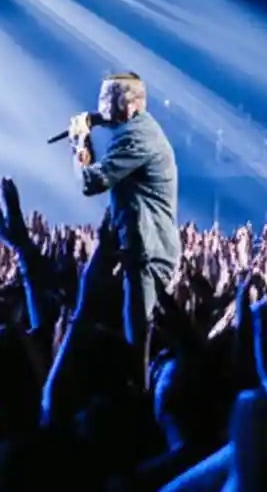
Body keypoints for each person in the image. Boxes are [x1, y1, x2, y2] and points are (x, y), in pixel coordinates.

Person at [67, 72, 180, 355]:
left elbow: (91, 182)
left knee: (138, 341)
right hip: (139, 250)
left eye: (107, 98)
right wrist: (90, 130)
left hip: (148, 253)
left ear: (130, 105)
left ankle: (141, 393)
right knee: (131, 334)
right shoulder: (137, 129)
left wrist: (79, 142)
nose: (100, 103)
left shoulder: (136, 137)